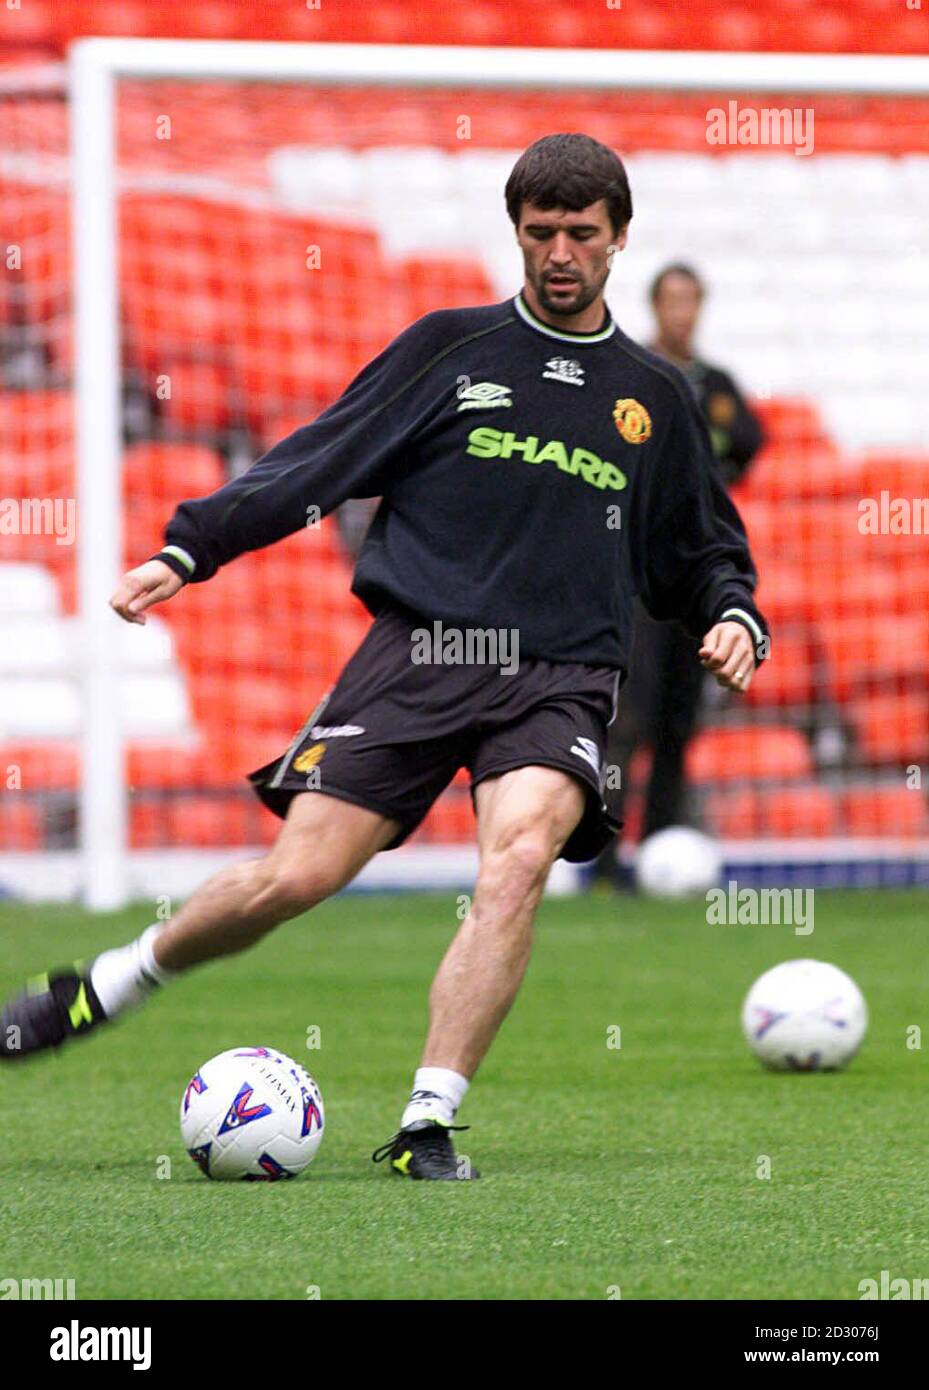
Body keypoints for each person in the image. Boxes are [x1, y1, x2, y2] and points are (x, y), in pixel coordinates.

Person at [0, 135, 768, 1181]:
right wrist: (192, 546)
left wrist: (732, 613)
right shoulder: (449, 349)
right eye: (539, 232)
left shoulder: (654, 396)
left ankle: (425, 1122)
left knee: (516, 860)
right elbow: (322, 455)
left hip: (561, 676)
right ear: (516, 233)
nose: (558, 253)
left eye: (579, 235)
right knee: (295, 877)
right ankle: (114, 980)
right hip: (419, 654)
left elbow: (699, 552)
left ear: (617, 239)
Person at [588, 263, 765, 890]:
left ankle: (660, 851)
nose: (681, 312)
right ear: (656, 305)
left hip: (695, 575)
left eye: (691, 300)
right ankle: (601, 860)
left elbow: (747, 440)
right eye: (672, 300)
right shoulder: (632, 371)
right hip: (637, 577)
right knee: (625, 719)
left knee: (676, 721)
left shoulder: (715, 383)